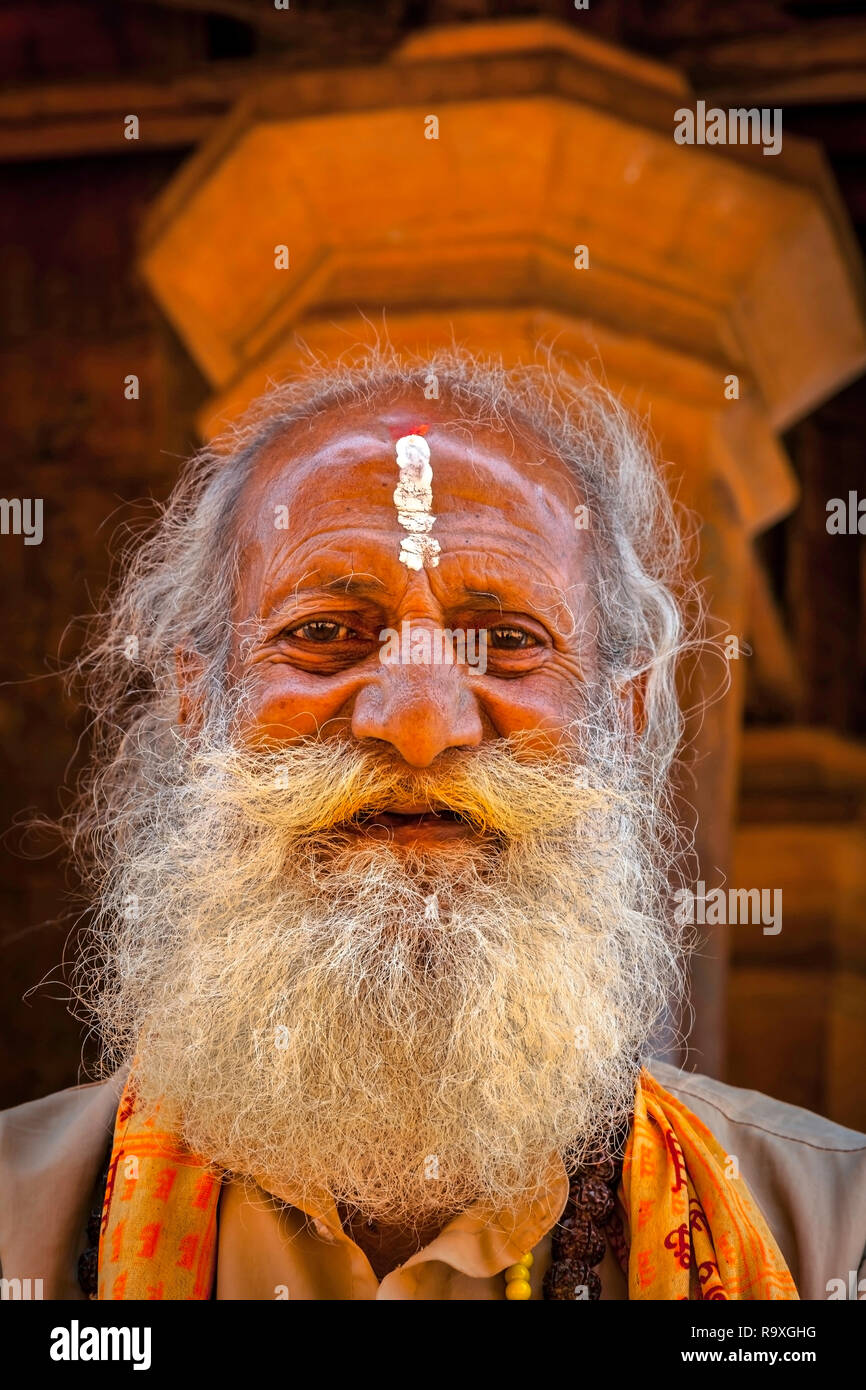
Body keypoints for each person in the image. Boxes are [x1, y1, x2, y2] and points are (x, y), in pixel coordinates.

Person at [2, 349, 865, 1301]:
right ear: (196, 699)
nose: (417, 725)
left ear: (621, 715)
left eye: (504, 643)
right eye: (327, 632)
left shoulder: (832, 1232)